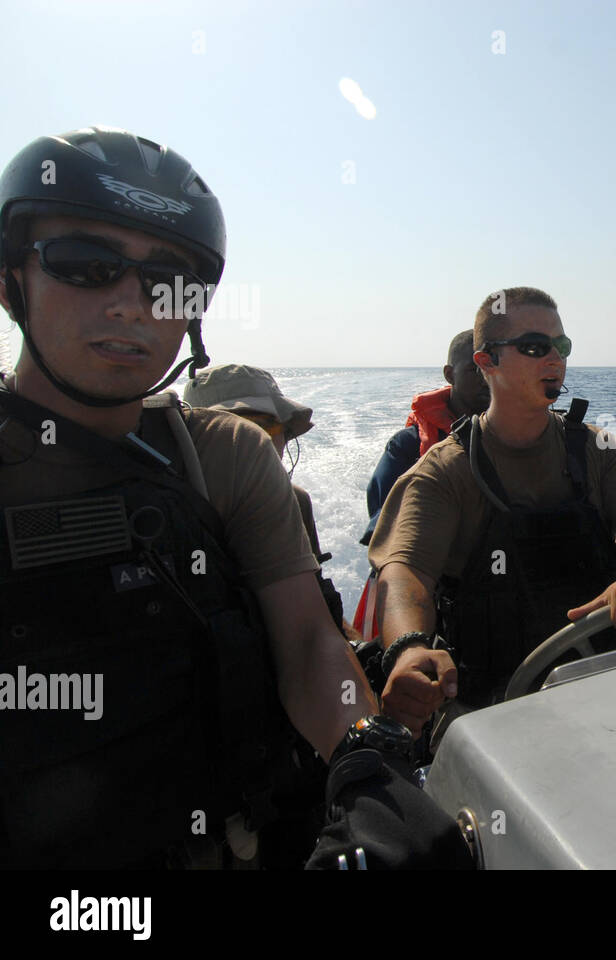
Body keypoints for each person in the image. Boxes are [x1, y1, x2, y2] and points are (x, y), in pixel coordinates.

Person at [0, 126, 466, 868]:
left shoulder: (221, 454)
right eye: (85, 264)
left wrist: (366, 763)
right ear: (11, 280)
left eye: (168, 283)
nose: (130, 305)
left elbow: (308, 642)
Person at [367, 286, 616, 734]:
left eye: (562, 346)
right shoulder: (445, 472)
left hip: (610, 695)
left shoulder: (598, 449)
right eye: (535, 347)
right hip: (497, 716)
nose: (555, 358)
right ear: (485, 363)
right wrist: (410, 648)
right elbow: (403, 575)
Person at [183, 362, 354, 637]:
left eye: (264, 428)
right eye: (233, 430)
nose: (251, 442)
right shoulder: (160, 512)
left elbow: (315, 615)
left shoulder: (295, 502)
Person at [351, 330, 490, 639]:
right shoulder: (408, 447)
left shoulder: (519, 441)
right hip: (433, 589)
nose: (485, 378)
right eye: (474, 369)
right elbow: (385, 526)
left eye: (493, 367)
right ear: (449, 374)